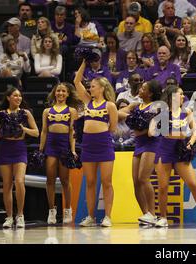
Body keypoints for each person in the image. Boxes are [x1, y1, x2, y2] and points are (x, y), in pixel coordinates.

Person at [151, 85, 196, 227]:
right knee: (163, 186)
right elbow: (151, 132)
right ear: (172, 96)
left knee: (193, 184)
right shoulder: (161, 112)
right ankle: (163, 218)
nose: (183, 96)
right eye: (180, 94)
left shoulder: (187, 111)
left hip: (180, 150)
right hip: (164, 150)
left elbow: (194, 132)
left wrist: (190, 143)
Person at [73, 59, 118, 227]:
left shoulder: (110, 105)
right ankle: (91, 217)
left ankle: (108, 216)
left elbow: (112, 128)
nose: (90, 88)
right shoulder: (87, 102)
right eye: (90, 86)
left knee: (106, 181)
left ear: (102, 88)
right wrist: (84, 62)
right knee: (90, 181)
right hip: (88, 145)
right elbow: (76, 81)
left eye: (93, 86)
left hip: (104, 144)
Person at [118, 80, 163, 225]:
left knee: (144, 178)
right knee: (136, 182)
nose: (140, 89)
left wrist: (138, 124)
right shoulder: (136, 105)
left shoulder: (157, 107)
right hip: (139, 144)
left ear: (150, 93)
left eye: (143, 88)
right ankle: (145, 215)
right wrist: (130, 117)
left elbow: (153, 129)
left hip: (151, 144)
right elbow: (118, 113)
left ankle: (153, 213)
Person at [0, 88, 39, 228]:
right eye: (15, 95)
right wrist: (2, 129)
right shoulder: (1, 114)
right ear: (8, 98)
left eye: (20, 96)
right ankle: (9, 217)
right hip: (5, 149)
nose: (18, 98)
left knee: (19, 181)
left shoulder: (26, 113)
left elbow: (37, 133)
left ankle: (20, 215)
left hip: (19, 149)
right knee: (7, 184)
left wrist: (23, 129)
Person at [39, 83, 82, 225]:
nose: (61, 93)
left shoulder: (72, 111)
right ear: (54, 92)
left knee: (64, 179)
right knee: (50, 179)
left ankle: (67, 209)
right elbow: (44, 131)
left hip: (64, 145)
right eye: (58, 90)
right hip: (51, 144)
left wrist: (73, 149)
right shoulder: (47, 111)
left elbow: (72, 132)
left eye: (64, 91)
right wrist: (41, 149)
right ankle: (51, 210)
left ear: (68, 94)